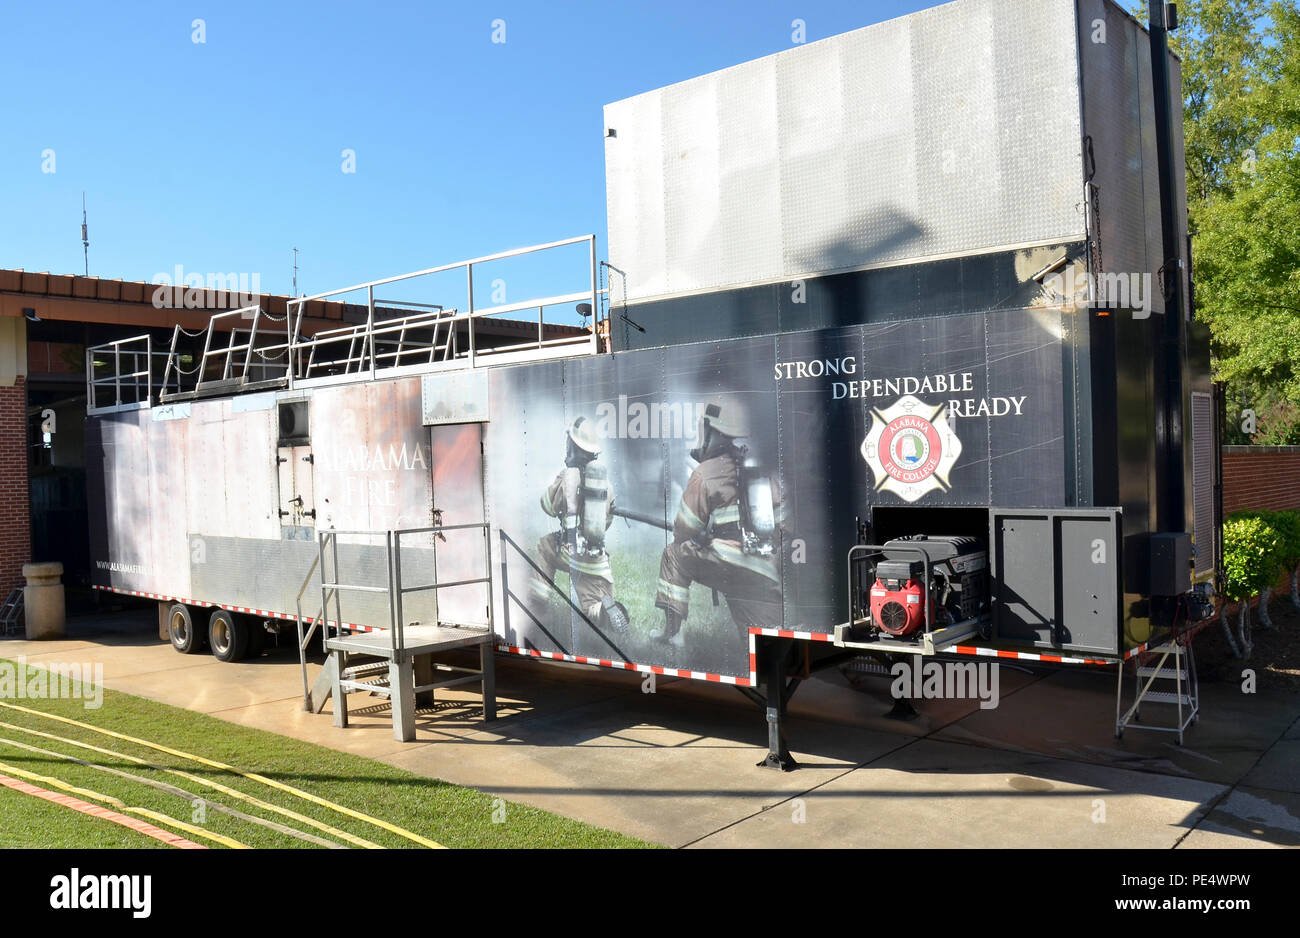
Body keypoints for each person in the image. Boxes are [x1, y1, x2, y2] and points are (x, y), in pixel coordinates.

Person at [652, 403, 782, 647]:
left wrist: (708, 537)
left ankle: (672, 633)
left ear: (712, 432)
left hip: (726, 561)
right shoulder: (756, 468)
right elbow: (784, 520)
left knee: (673, 555)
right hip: (763, 566)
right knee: (760, 642)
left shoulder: (704, 473)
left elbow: (684, 530)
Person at [533, 416, 626, 632]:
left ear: (573, 447)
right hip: (597, 559)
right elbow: (606, 523)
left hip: (569, 552)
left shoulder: (567, 477)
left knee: (546, 545)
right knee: (591, 602)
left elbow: (547, 505)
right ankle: (602, 612)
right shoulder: (606, 485)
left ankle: (537, 601)